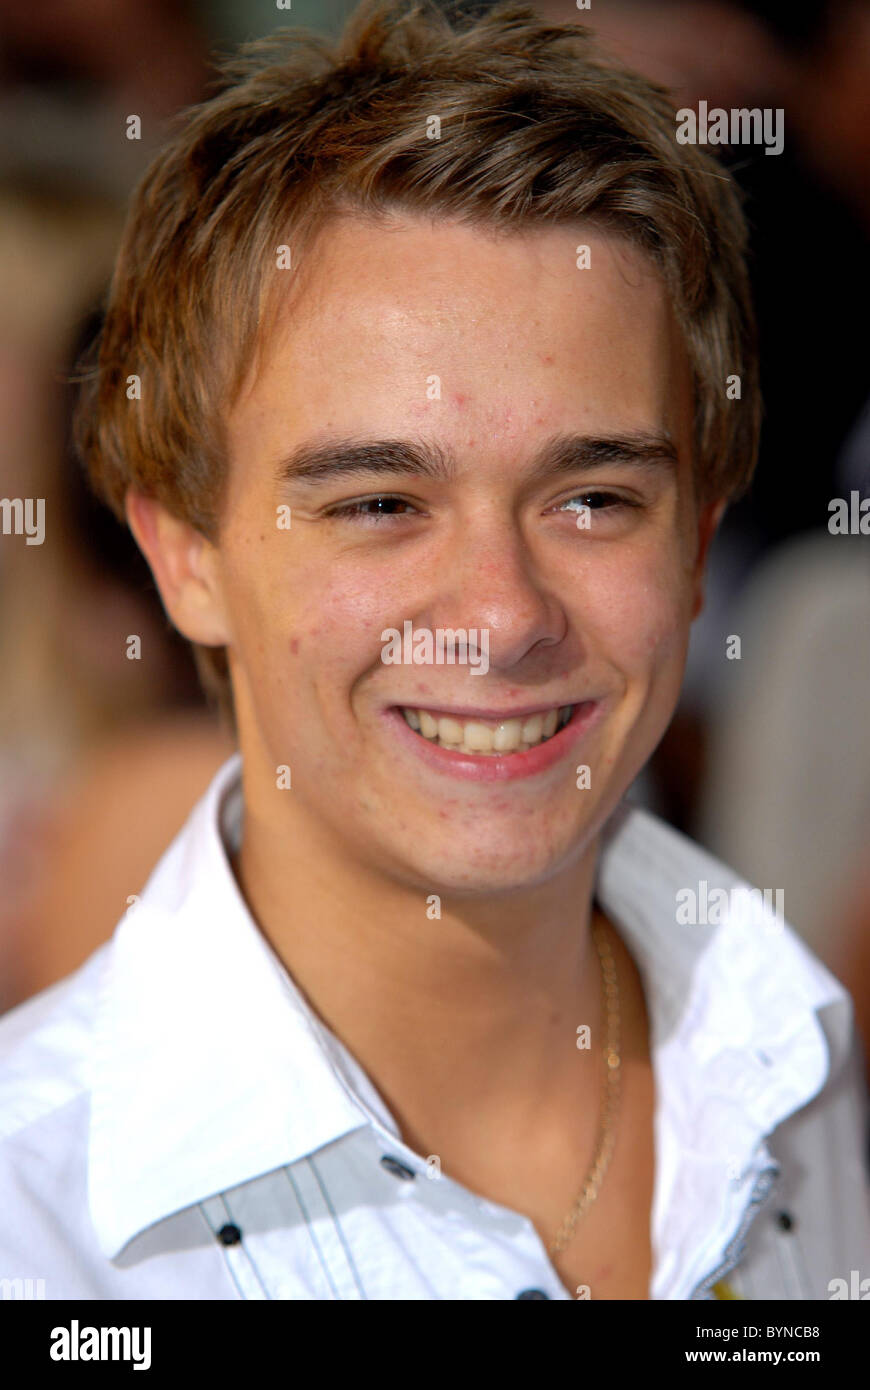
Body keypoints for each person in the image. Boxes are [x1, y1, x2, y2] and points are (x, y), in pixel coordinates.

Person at [1, 0, 867, 1302]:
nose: (504, 611)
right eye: (378, 504)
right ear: (185, 557)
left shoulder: (795, 1058)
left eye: (592, 497)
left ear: (695, 549)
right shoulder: (42, 1223)